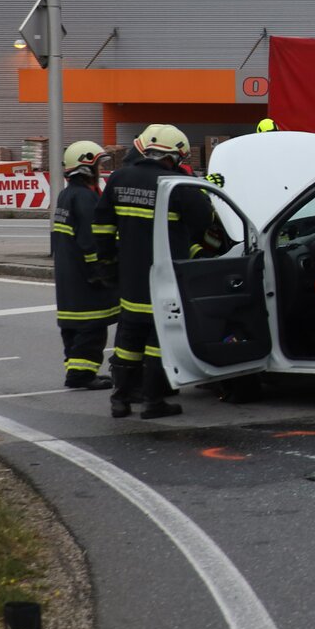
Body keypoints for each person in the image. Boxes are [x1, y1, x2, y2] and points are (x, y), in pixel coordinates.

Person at [97, 123, 210, 419]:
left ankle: (120, 400)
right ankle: (153, 402)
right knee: (158, 341)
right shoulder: (176, 184)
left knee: (128, 338)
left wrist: (107, 263)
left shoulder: (119, 177)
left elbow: (102, 226)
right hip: (164, 276)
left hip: (130, 276)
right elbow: (203, 221)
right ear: (174, 156)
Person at [50, 140, 118, 390]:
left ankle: (75, 370)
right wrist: (99, 270)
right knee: (92, 325)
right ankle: (83, 374)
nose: (101, 170)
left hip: (68, 273)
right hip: (85, 275)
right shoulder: (86, 198)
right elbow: (91, 240)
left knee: (73, 325)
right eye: (99, 165)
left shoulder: (66, 195)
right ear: (86, 168)